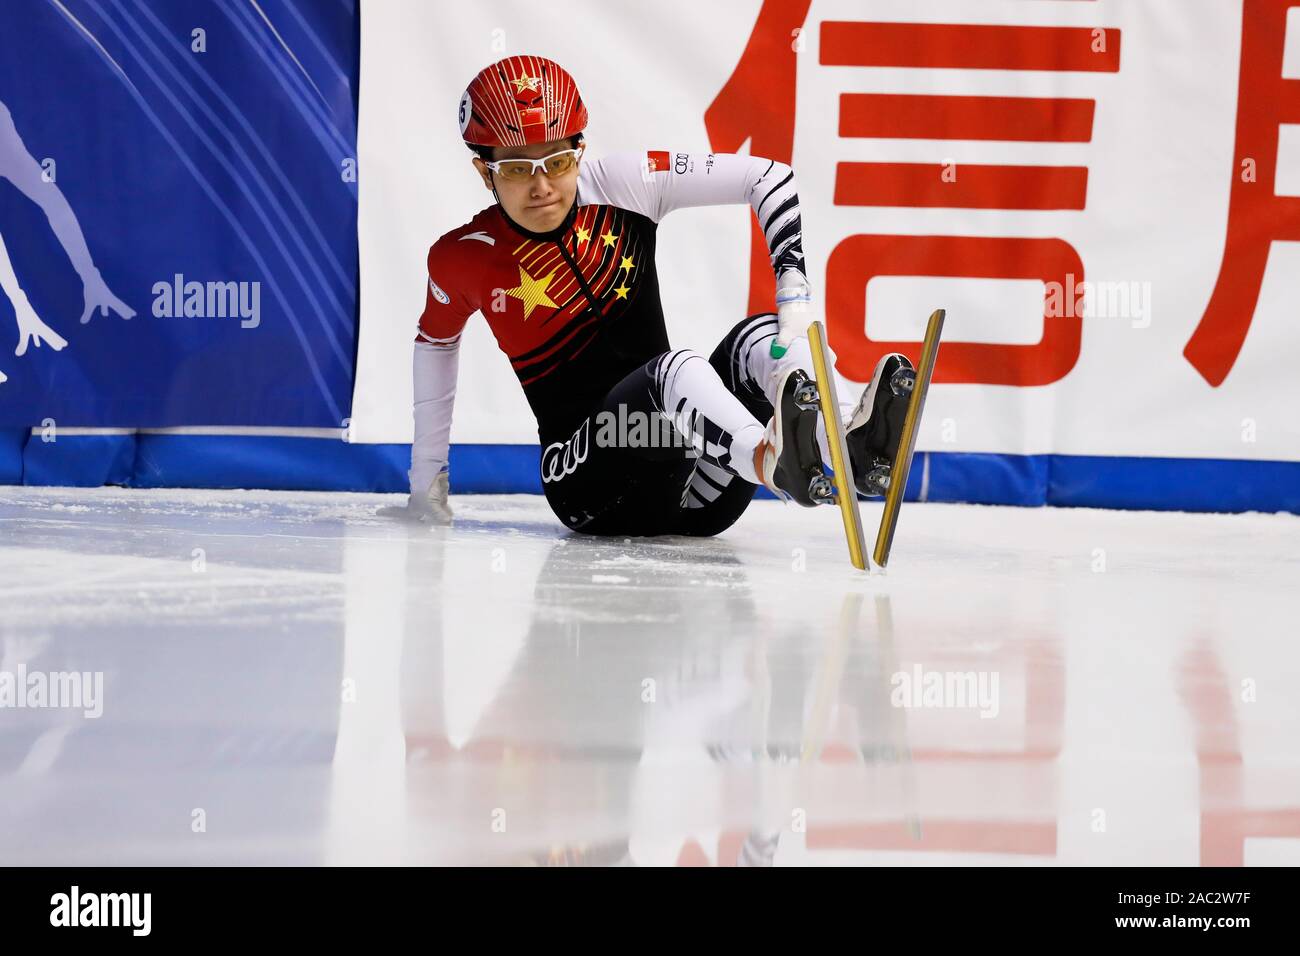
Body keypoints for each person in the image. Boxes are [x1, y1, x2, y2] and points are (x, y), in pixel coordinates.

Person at [397, 55, 912, 535]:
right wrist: (427, 484)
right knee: (675, 368)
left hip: (699, 482)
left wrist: (794, 297)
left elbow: (769, 177)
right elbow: (435, 348)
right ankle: (773, 464)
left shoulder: (626, 184)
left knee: (764, 336)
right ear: (482, 170)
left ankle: (847, 442)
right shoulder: (461, 255)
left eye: (558, 162)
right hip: (589, 487)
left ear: (581, 149)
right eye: (515, 169)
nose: (542, 187)